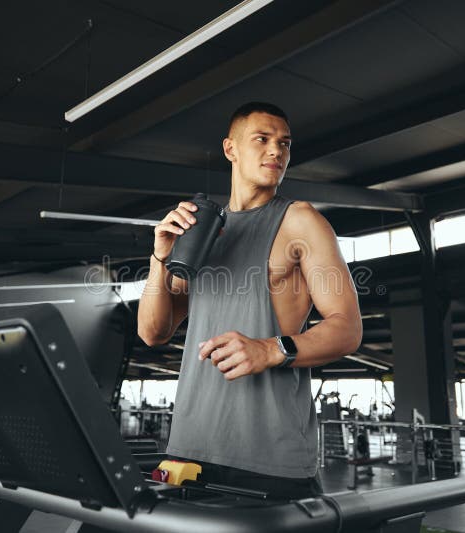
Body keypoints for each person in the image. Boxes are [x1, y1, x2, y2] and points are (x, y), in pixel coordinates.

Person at [137, 102, 362, 499]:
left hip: (268, 460)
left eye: (285, 143)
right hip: (188, 452)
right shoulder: (203, 230)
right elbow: (153, 332)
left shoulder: (299, 221)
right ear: (231, 149)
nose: (277, 151)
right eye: (262, 139)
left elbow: (347, 327)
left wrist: (270, 349)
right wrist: (160, 256)